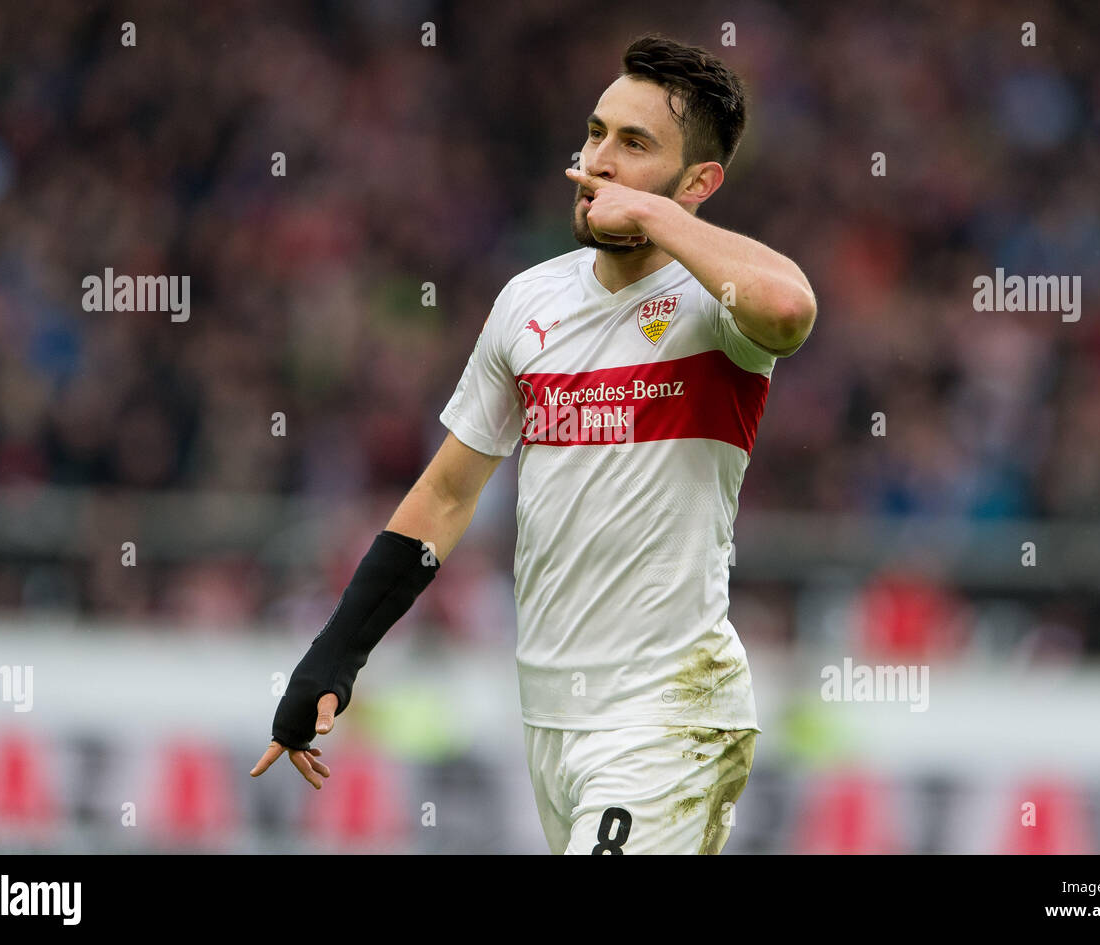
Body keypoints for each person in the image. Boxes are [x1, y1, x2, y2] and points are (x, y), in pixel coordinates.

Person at [251, 33, 816, 854]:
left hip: (669, 714)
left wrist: (654, 215)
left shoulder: (713, 302)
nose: (599, 159)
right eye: (595, 133)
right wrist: (335, 655)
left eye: (634, 144)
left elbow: (790, 309)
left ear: (699, 183)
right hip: (551, 714)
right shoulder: (529, 301)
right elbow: (446, 494)